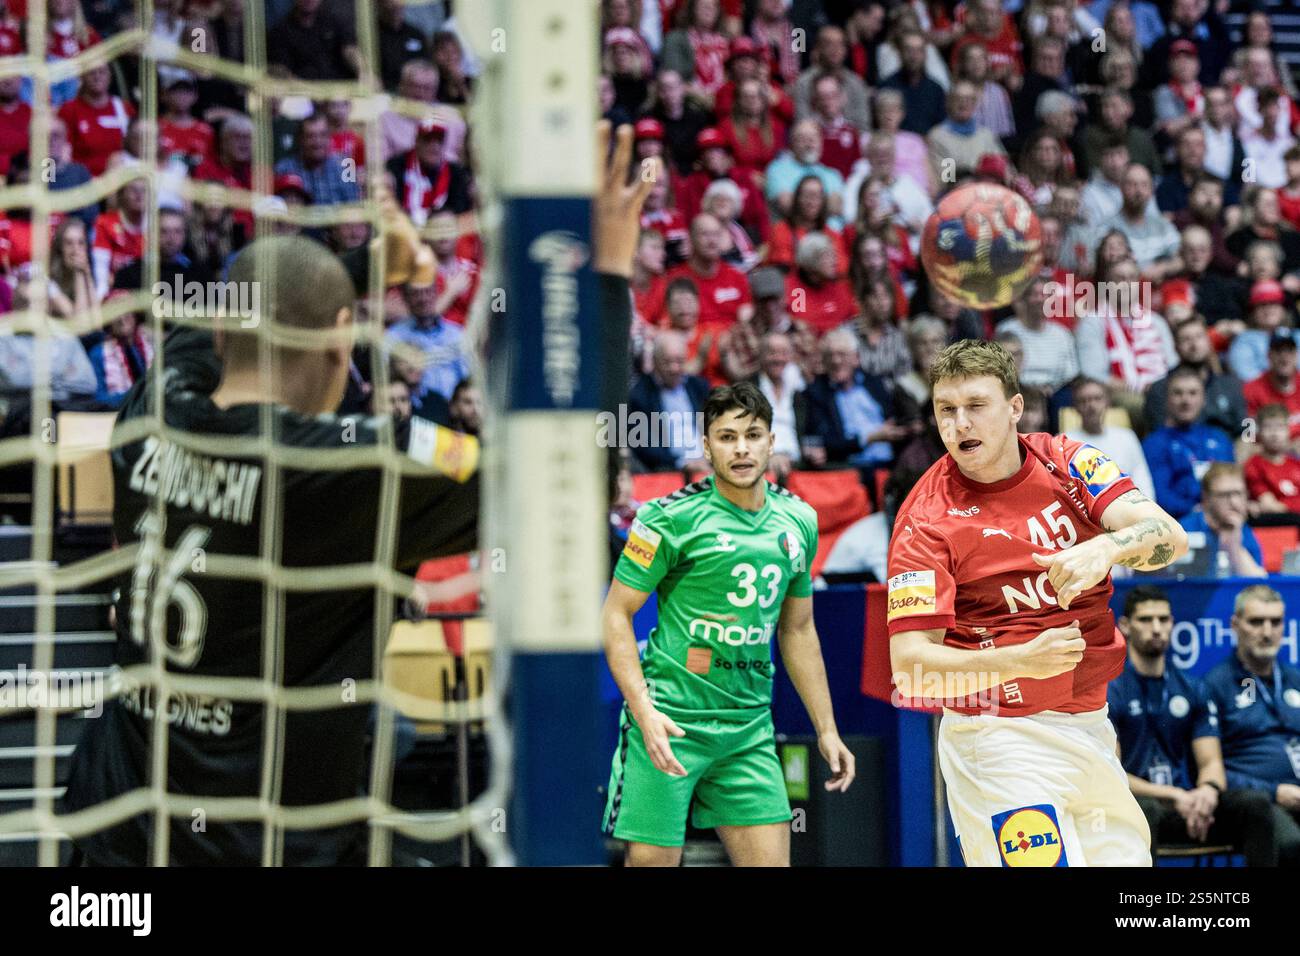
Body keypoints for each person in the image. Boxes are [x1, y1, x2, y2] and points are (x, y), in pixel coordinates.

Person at [888, 339, 1188, 867]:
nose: (960, 424)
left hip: (1090, 726)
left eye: (976, 407)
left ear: (1015, 408)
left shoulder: (1069, 463)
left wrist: (1105, 547)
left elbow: (1169, 537)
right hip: (998, 736)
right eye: (946, 410)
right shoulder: (925, 518)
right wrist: (1018, 659)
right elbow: (911, 671)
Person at [600, 382, 854, 865]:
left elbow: (797, 630)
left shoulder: (798, 520)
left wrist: (826, 728)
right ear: (707, 446)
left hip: (748, 728)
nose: (741, 448)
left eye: (753, 434)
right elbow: (616, 614)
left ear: (772, 442)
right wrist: (644, 710)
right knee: (652, 862)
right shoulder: (667, 518)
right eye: (727, 436)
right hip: (671, 719)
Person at [1108, 585, 1277, 866]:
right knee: (1143, 810)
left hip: (1190, 806)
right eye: (1146, 620)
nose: (1157, 628)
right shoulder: (1112, 691)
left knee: (1255, 805)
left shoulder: (1192, 687)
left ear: (1173, 623)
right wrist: (1174, 796)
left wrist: (1207, 792)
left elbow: (1211, 761)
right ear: (1125, 626)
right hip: (1145, 804)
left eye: (1164, 619)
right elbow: (1113, 774)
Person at [1203, 585, 1300, 866]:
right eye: (1256, 622)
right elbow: (1209, 769)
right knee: (1292, 844)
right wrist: (1274, 791)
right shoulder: (1215, 685)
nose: (1267, 631)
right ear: (1235, 625)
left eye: (1275, 622)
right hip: (1257, 801)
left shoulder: (1294, 678)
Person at [1142, 366, 1236, 519]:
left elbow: (1233, 484)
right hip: (1179, 523)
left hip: (1224, 520)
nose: (1186, 400)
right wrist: (1197, 511)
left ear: (1203, 399)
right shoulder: (1154, 444)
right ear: (1167, 399)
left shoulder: (1220, 439)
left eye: (1193, 393)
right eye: (1178, 393)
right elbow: (1160, 495)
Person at [1144, 314, 1246, 438]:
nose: (1194, 345)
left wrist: (1248, 443)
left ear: (1209, 342)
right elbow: (1159, 436)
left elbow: (1246, 424)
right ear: (1175, 347)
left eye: (1199, 337)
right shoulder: (1160, 389)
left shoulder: (1230, 385)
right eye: (1186, 339)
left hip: (1226, 452)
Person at [626, 330, 709, 473]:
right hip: (668, 470)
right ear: (655, 361)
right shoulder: (640, 396)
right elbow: (644, 446)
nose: (674, 368)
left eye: (679, 361)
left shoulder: (699, 388)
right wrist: (683, 464)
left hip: (708, 465)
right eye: (668, 362)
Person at [1064, 377, 1155, 500]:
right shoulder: (1066, 441)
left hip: (1131, 505)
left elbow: (1142, 477)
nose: (1091, 405)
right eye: (1084, 400)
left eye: (1097, 398)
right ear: (1075, 407)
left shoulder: (1126, 436)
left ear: (1107, 402)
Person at [1179, 462, 1268, 578]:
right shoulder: (1183, 530)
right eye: (1224, 495)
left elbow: (1257, 581)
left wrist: (1233, 545)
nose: (1234, 502)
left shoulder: (1242, 529)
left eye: (1239, 493)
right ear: (1206, 498)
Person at [1244, 403, 1300, 518]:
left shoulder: (1296, 464)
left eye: (1280, 427)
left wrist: (1284, 505)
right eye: (1268, 427)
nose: (1274, 434)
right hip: (1275, 528)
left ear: (1289, 431)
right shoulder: (1253, 465)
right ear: (1259, 433)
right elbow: (1269, 505)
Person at [1243, 328, 1300, 440]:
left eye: (1289, 350)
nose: (1284, 357)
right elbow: (1248, 435)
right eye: (1278, 351)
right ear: (1269, 356)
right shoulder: (1251, 390)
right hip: (1268, 451)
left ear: (1296, 355)